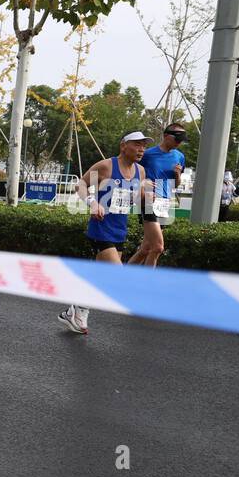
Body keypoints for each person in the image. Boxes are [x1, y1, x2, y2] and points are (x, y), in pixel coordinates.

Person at [58, 131, 155, 335]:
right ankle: (79, 309)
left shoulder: (141, 171)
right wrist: (92, 203)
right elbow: (81, 185)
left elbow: (136, 200)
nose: (141, 149)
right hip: (101, 229)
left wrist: (147, 194)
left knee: (102, 279)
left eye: (144, 146)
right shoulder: (106, 166)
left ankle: (73, 310)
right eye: (137, 145)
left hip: (120, 230)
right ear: (123, 146)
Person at [130, 124, 185, 267]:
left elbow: (175, 184)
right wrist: (143, 182)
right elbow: (131, 172)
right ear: (166, 136)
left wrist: (178, 174)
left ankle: (123, 276)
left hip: (165, 201)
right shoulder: (148, 154)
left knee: (146, 248)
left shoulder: (180, 156)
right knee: (158, 247)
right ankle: (147, 283)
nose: (179, 143)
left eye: (181, 140)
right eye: (177, 139)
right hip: (148, 199)